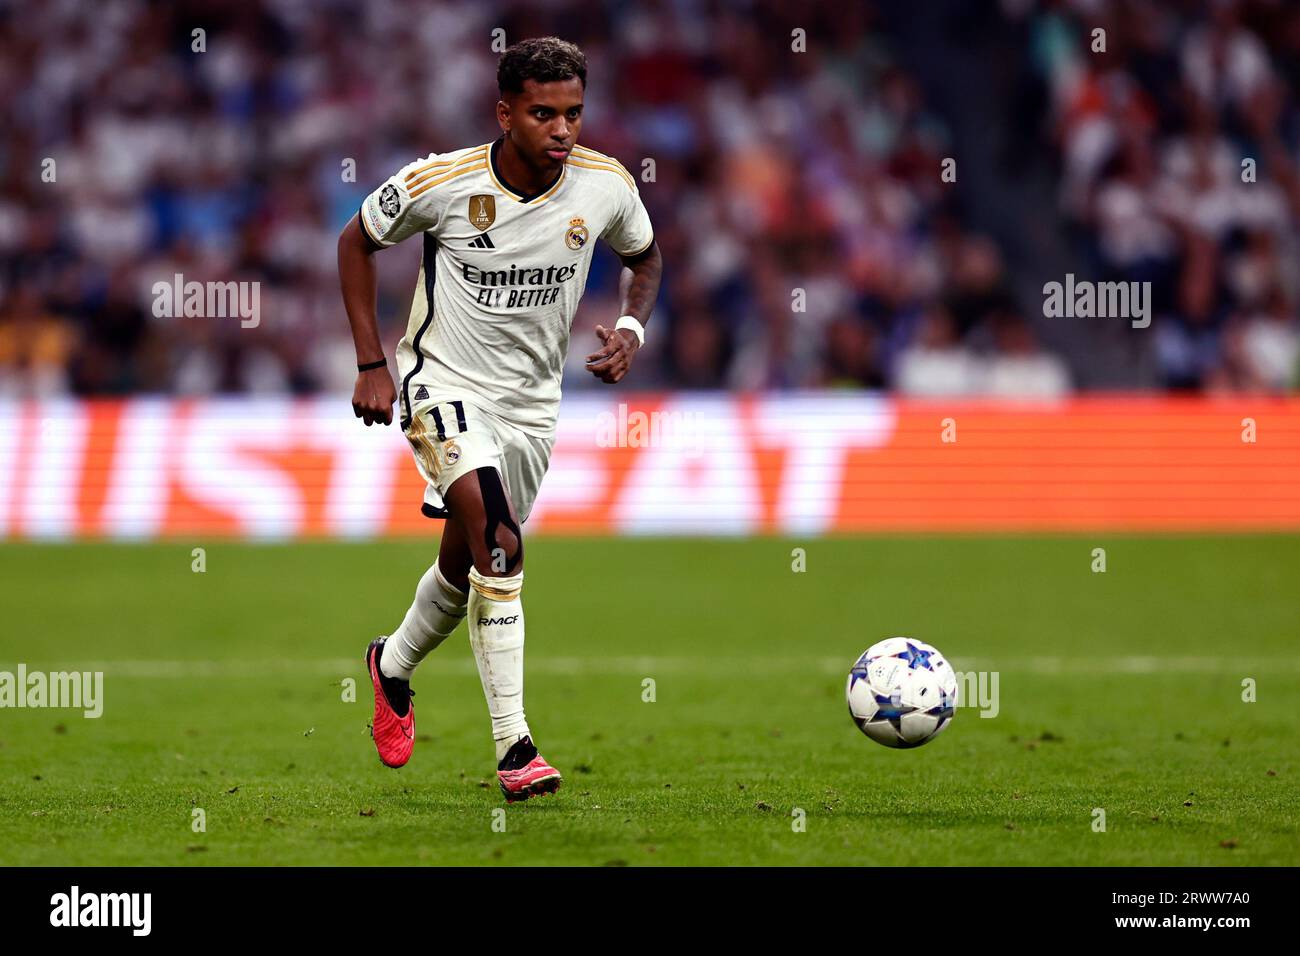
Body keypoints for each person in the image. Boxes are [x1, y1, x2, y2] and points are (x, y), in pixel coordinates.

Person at [337, 36, 662, 802]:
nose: (562, 129)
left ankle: (391, 667)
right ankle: (515, 746)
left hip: (531, 405)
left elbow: (644, 258)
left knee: (469, 562)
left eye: (574, 113)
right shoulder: (441, 182)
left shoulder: (605, 186)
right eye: (543, 113)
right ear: (505, 113)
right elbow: (355, 242)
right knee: (503, 545)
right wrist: (371, 363)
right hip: (440, 381)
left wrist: (631, 330)